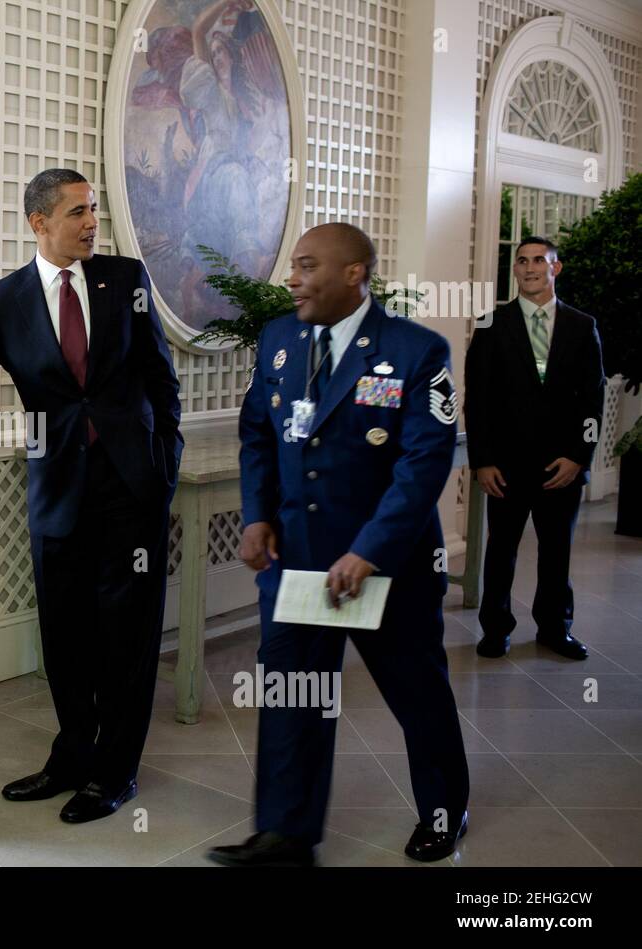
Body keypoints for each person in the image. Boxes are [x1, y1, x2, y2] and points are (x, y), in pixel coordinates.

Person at [0, 168, 184, 824]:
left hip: (133, 492)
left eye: (93, 212)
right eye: (77, 212)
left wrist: (165, 464)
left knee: (125, 642)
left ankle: (115, 774)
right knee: (66, 638)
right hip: (58, 496)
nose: (90, 223)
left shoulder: (126, 281)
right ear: (39, 223)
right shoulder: (3, 302)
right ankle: (73, 756)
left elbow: (162, 382)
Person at [212, 223, 469, 865]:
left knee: (417, 694)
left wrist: (370, 549)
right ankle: (284, 833)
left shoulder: (417, 351)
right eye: (293, 267)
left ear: (354, 273)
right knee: (293, 698)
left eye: (306, 266)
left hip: (386, 570)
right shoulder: (278, 339)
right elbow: (258, 435)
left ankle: (445, 810)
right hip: (295, 563)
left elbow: (423, 464)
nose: (292, 279)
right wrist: (256, 517)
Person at [464, 237, 605, 660]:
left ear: (554, 268)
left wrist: (579, 457)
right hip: (505, 465)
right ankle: (495, 629)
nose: (528, 268)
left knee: (556, 551)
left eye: (538, 260)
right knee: (501, 550)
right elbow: (479, 399)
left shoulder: (582, 327)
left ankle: (554, 628)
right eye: (521, 261)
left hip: (561, 465)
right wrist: (483, 461)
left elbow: (592, 398)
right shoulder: (491, 325)